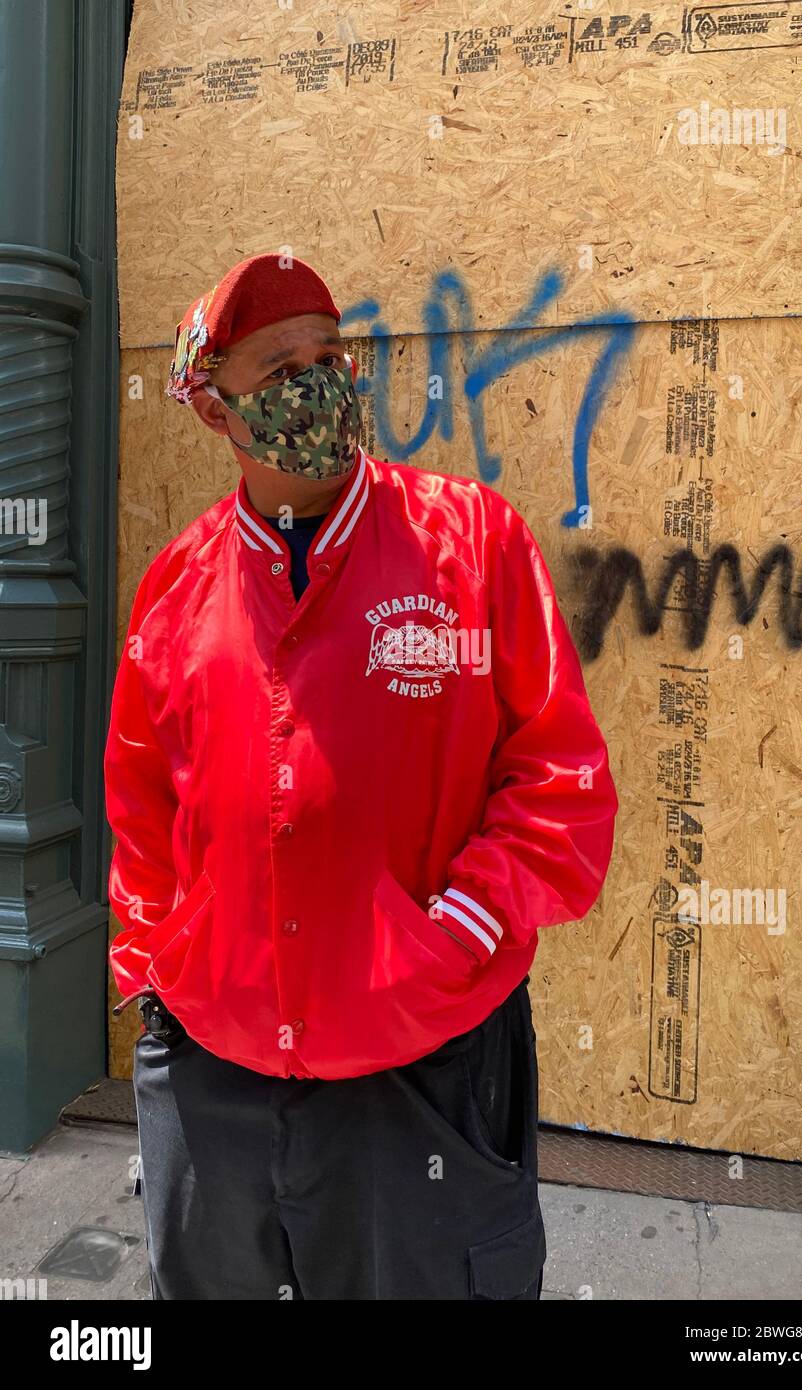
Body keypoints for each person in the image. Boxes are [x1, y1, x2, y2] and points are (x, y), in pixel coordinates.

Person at [103, 252, 618, 1300]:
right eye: (277, 364)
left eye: (326, 352)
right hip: (215, 1077)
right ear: (215, 408)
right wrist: (157, 962)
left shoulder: (470, 545)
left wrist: (456, 933)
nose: (317, 379)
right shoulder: (177, 587)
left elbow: (557, 776)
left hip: (417, 1074)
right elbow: (142, 797)